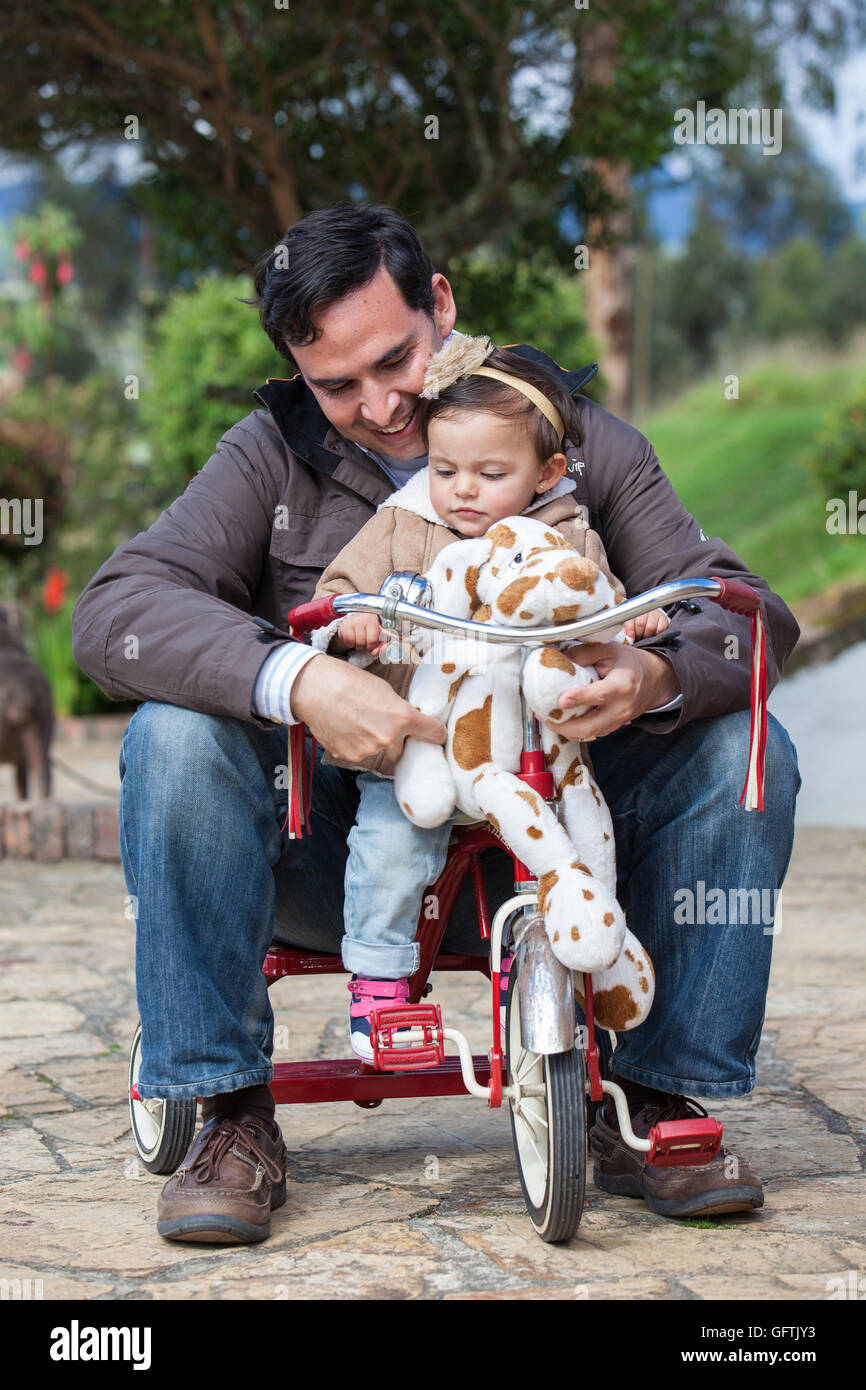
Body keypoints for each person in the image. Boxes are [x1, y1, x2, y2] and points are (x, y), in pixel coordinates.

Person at [71, 201, 800, 1244]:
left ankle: (653, 1096)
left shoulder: (572, 436)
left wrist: (645, 673)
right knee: (172, 738)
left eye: (395, 361)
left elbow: (747, 611)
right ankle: (227, 1108)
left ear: (441, 305)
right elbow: (115, 609)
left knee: (747, 748)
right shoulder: (268, 459)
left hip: (555, 846)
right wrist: (296, 679)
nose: (377, 406)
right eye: (335, 385)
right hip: (352, 850)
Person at [308, 336, 669, 1059]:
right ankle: (378, 981)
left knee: (587, 839)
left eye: (490, 472)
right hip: (426, 744)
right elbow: (335, 590)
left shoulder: (565, 535)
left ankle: (588, 959)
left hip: (535, 749)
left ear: (548, 472)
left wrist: (636, 620)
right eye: (445, 469)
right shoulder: (404, 521)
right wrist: (355, 617)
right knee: (391, 844)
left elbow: (594, 602)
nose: (463, 490)